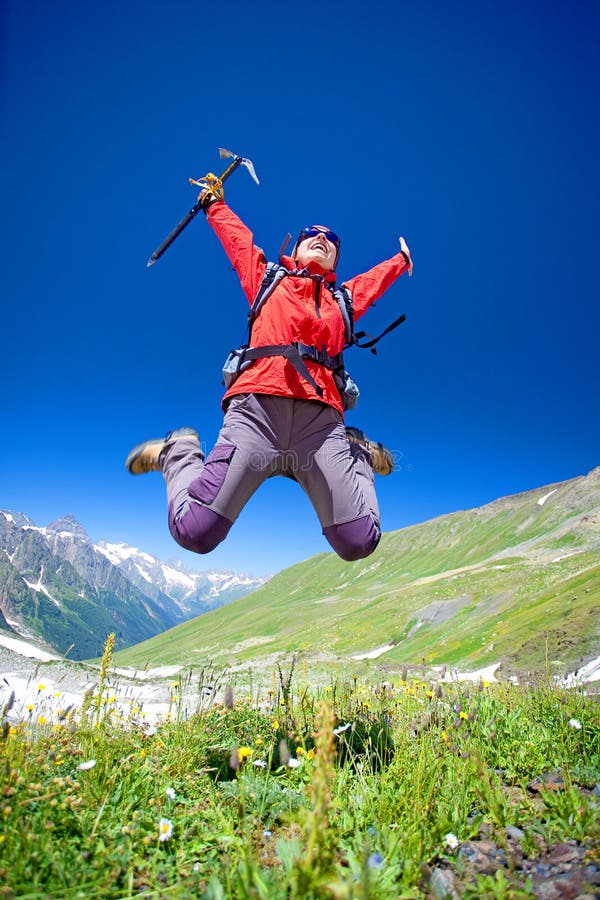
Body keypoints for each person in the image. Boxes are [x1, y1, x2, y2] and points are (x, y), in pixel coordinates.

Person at [126, 188, 413, 562]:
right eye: (312, 234)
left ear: (336, 261)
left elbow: (373, 283)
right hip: (256, 414)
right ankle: (178, 451)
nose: (322, 239)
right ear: (295, 250)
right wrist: (214, 203)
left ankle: (356, 452)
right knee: (194, 531)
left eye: (332, 240)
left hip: (321, 427)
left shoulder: (343, 301)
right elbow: (238, 240)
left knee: (359, 541)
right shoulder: (267, 279)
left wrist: (401, 261)